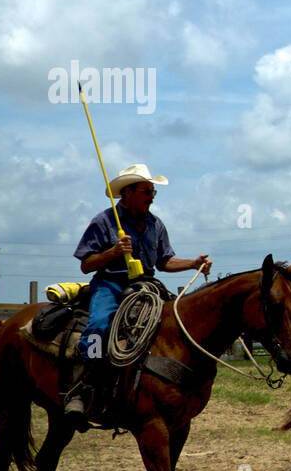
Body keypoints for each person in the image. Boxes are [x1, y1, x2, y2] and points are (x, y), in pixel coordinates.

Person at [66, 164, 212, 425]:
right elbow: (86, 265)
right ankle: (82, 388)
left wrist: (193, 263)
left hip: (146, 284)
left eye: (153, 192)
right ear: (127, 192)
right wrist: (112, 253)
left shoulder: (155, 224)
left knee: (174, 324)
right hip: (110, 283)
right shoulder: (103, 221)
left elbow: (165, 261)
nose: (152, 196)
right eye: (147, 191)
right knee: (99, 325)